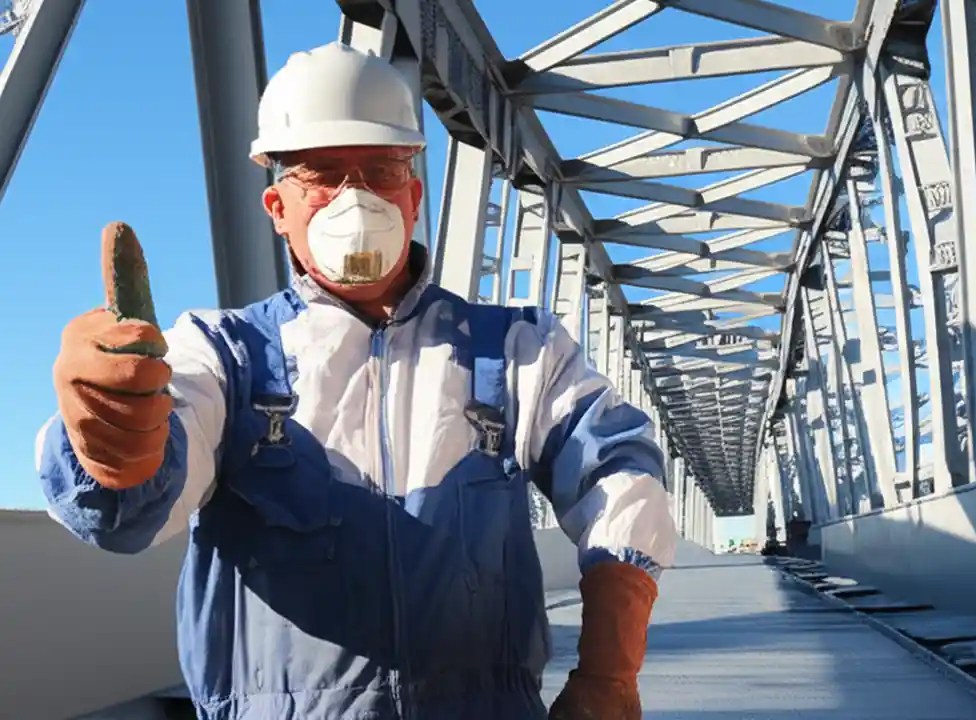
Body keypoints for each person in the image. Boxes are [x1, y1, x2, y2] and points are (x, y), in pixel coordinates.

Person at [36, 41, 677, 719]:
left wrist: (611, 671)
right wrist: (111, 444)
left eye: (380, 168)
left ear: (415, 192)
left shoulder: (519, 349)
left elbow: (619, 476)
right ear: (277, 206)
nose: (357, 197)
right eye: (322, 173)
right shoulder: (223, 355)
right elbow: (135, 513)